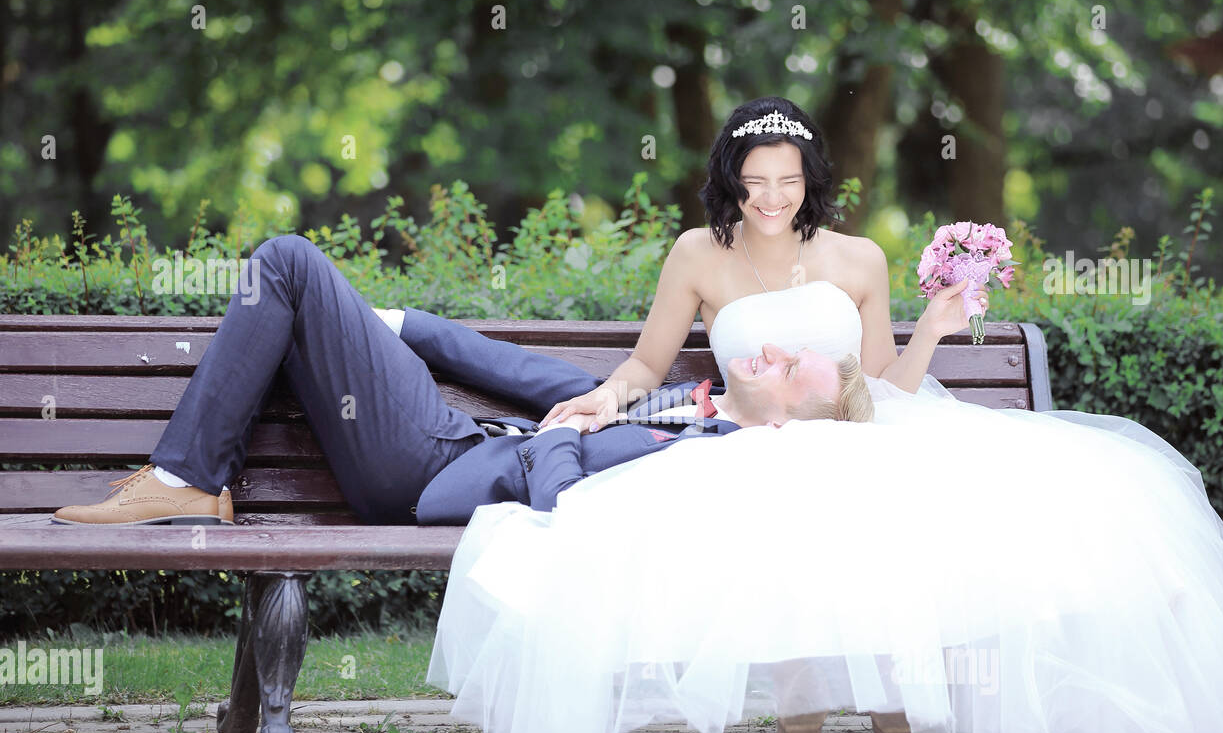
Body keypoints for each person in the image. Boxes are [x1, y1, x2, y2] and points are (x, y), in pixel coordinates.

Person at [428, 97, 1223, 733]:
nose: (771, 198)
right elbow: (648, 366)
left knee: (1073, 504)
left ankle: (960, 711)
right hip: (754, 446)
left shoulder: (859, 260)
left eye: (788, 181)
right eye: (755, 180)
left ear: (812, 181)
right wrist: (604, 401)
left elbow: (882, 388)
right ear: (730, 179)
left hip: (861, 437)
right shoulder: (698, 254)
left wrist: (939, 327)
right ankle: (829, 714)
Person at [51, 232, 871, 528]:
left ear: (788, 425)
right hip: (436, 448)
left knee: (287, 260)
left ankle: (185, 479)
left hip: (432, 468)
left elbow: (566, 505)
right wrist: (387, 324)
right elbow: (518, 371)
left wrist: (558, 439)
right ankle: (187, 479)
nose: (774, 350)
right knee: (290, 281)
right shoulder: (677, 402)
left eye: (793, 367)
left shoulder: (704, 454)